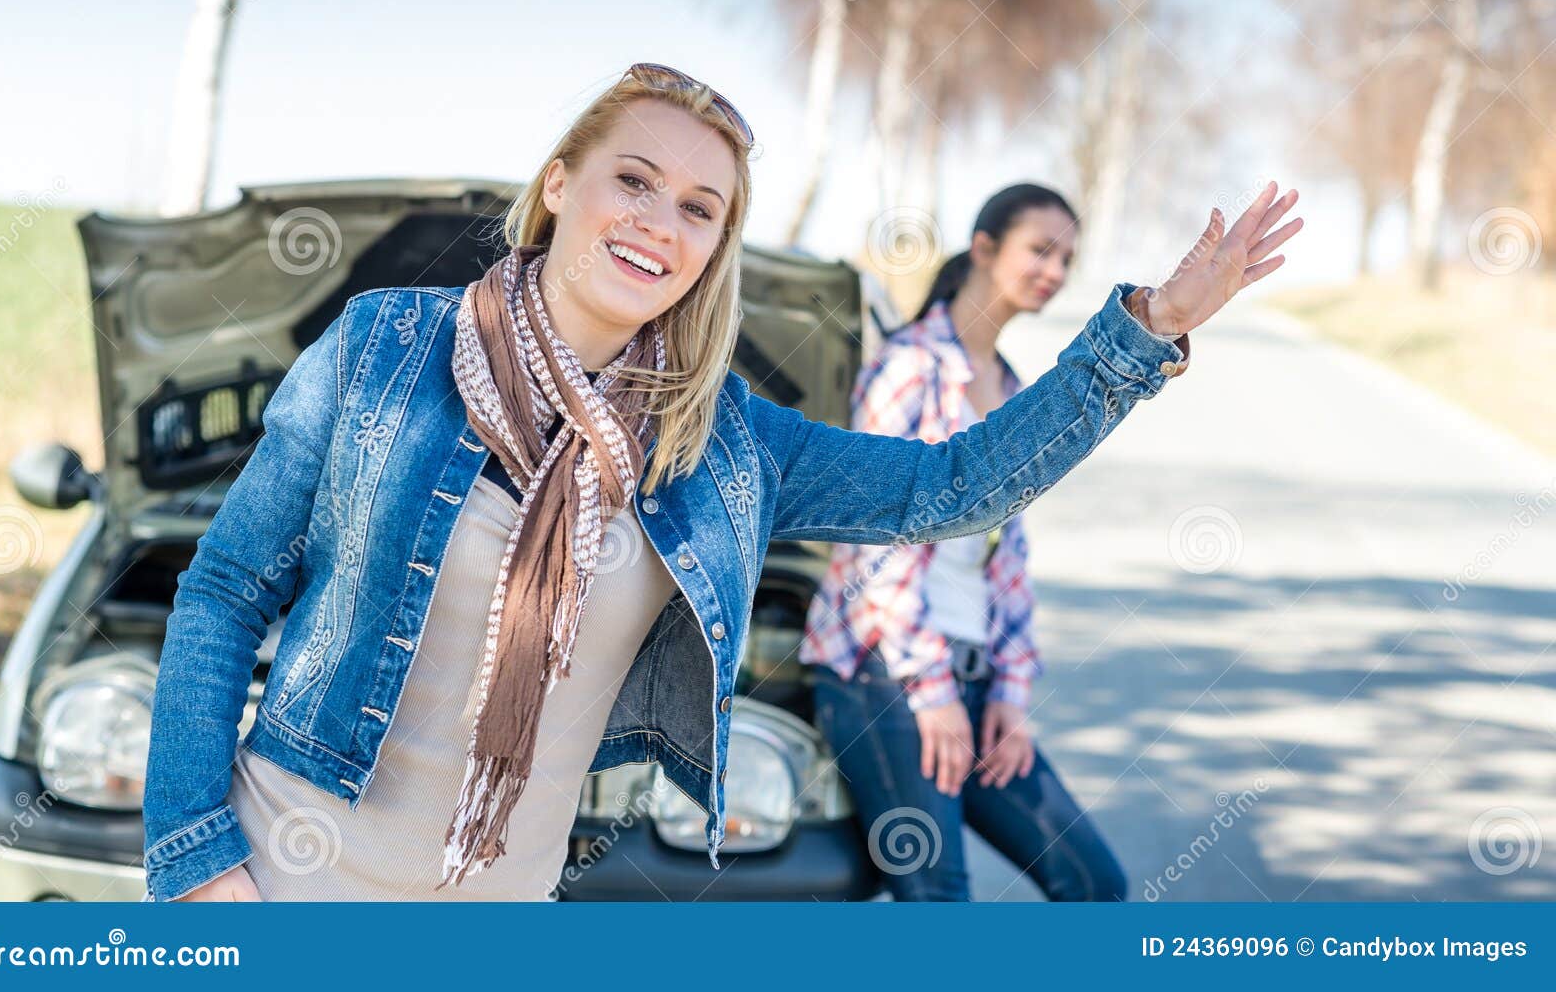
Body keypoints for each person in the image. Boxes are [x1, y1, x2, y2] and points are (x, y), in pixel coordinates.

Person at [140, 61, 1304, 901]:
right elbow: (227, 588)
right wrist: (198, 863)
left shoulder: (722, 443)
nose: (660, 222)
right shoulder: (385, 347)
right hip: (286, 884)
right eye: (633, 181)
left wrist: (1145, 331)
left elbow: (953, 487)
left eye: (700, 208)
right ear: (559, 185)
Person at [804, 183, 1169, 901]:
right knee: (939, 902)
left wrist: (1008, 689)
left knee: (1094, 882)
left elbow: (1009, 562)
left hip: (972, 677)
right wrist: (929, 690)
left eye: (1067, 257)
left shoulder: (1009, 385)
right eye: (1041, 249)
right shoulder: (909, 367)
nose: (1056, 271)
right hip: (883, 672)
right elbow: (874, 541)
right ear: (983, 248)